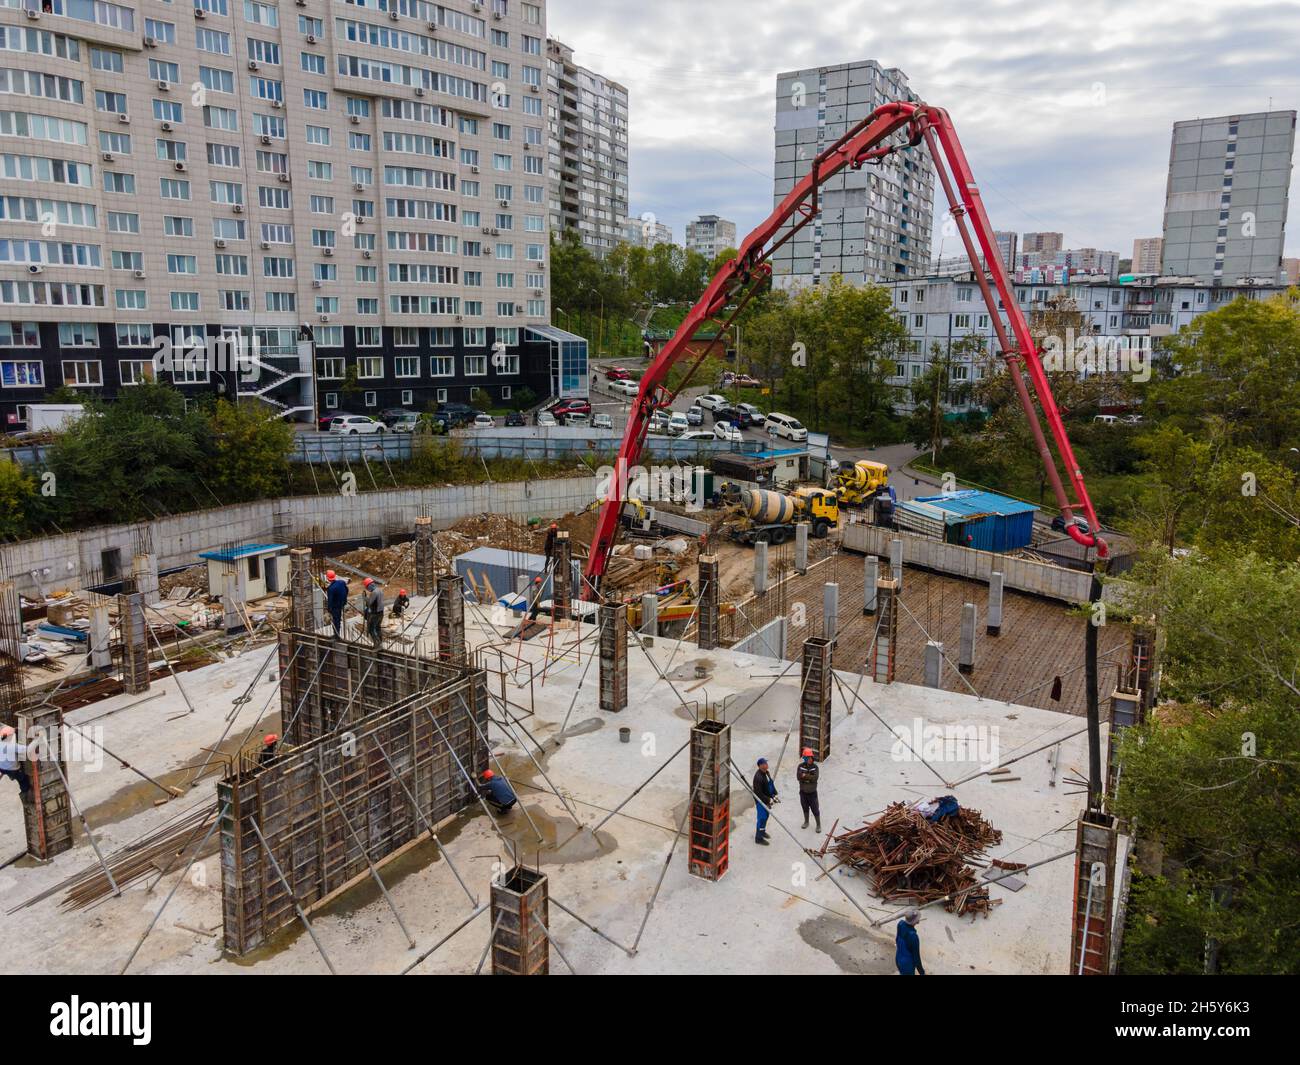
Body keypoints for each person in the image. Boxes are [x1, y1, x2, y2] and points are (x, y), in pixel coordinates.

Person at [751, 757, 777, 845]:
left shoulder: (766, 773)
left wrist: (773, 794)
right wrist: (768, 799)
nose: (767, 764)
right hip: (760, 801)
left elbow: (769, 785)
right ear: (761, 766)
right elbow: (758, 793)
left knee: (766, 816)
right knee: (762, 818)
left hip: (766, 799)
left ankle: (762, 832)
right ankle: (758, 838)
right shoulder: (758, 777)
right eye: (765, 763)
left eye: (766, 763)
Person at [0, 725, 31, 797]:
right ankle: (25, 792)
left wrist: (16, 729)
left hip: (2, 767)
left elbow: (7, 732)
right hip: (12, 769)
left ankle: (9, 776)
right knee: (23, 779)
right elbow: (27, 748)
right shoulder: (12, 746)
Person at [796, 747, 821, 832]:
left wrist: (805, 776)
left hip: (812, 793)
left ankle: (818, 825)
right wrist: (808, 777)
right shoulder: (800, 766)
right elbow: (798, 777)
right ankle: (806, 821)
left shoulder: (815, 767)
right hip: (803, 792)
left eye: (808, 758)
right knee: (805, 807)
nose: (807, 759)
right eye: (805, 758)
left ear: (811, 757)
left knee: (815, 809)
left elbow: (815, 778)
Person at [895, 909, 925, 975]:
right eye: (917, 919)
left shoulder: (900, 924)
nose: (919, 920)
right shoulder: (913, 937)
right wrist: (922, 972)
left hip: (898, 958)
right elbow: (916, 958)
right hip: (907, 965)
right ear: (915, 922)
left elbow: (897, 940)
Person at [324, 570, 349, 639]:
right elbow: (347, 589)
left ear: (328, 578)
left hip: (335, 607)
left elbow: (330, 601)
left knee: (336, 621)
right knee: (338, 620)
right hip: (342, 604)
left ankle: (336, 636)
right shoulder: (342, 582)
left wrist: (329, 610)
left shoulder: (331, 589)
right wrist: (344, 599)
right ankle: (337, 634)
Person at [362, 576, 384, 647]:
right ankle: (380, 642)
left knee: (371, 629)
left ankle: (377, 644)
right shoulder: (379, 590)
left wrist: (365, 598)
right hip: (381, 613)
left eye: (367, 587)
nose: (367, 589)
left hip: (375, 614)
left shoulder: (374, 592)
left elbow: (369, 603)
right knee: (378, 628)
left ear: (369, 585)